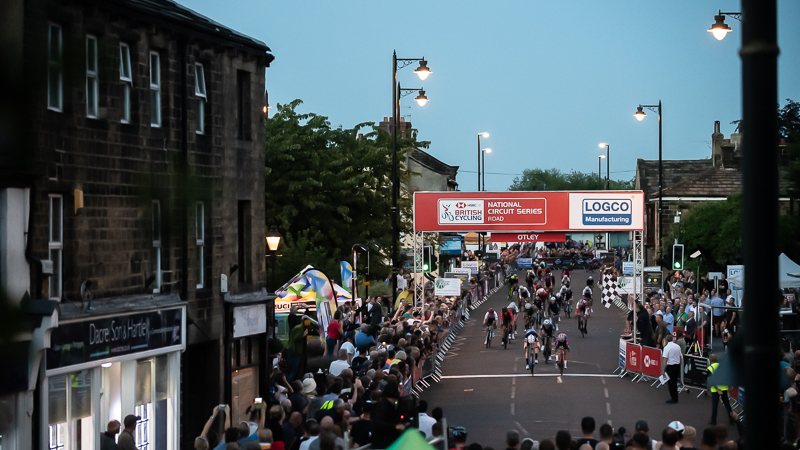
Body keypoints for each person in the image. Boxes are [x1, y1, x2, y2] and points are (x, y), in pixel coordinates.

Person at [707, 354, 734, 425]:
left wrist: (717, 388)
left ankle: (713, 420)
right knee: (727, 404)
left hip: (715, 389)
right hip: (724, 388)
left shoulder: (710, 368)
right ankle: (732, 419)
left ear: (710, 360)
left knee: (715, 405)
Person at [662, 335, 682, 403]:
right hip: (677, 366)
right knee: (675, 381)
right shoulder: (677, 346)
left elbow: (665, 359)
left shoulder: (666, 348)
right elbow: (680, 357)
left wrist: (664, 370)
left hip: (670, 366)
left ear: (666, 340)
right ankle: (675, 397)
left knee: (671, 383)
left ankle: (673, 398)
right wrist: (680, 364)